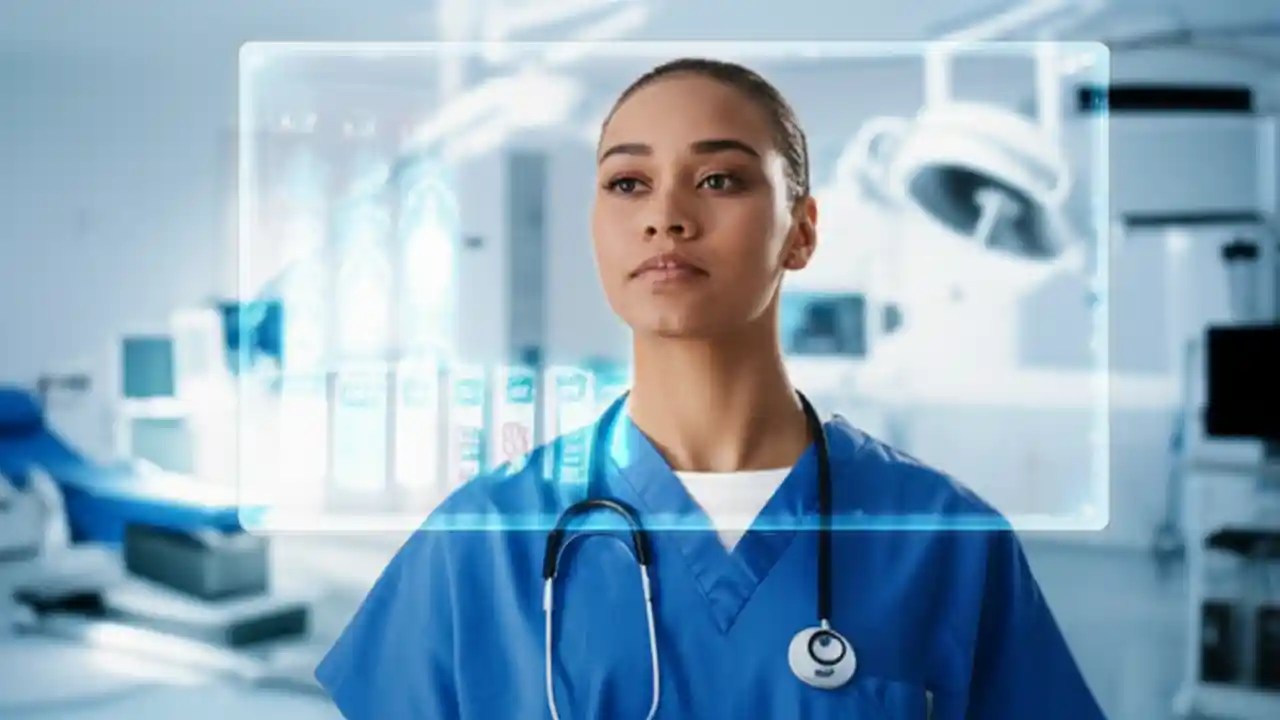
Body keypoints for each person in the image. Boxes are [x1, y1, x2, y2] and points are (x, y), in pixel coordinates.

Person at [315, 57, 1107, 719]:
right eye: (628, 183)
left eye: (720, 179)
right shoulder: (483, 539)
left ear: (802, 231)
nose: (666, 215)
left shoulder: (943, 539)